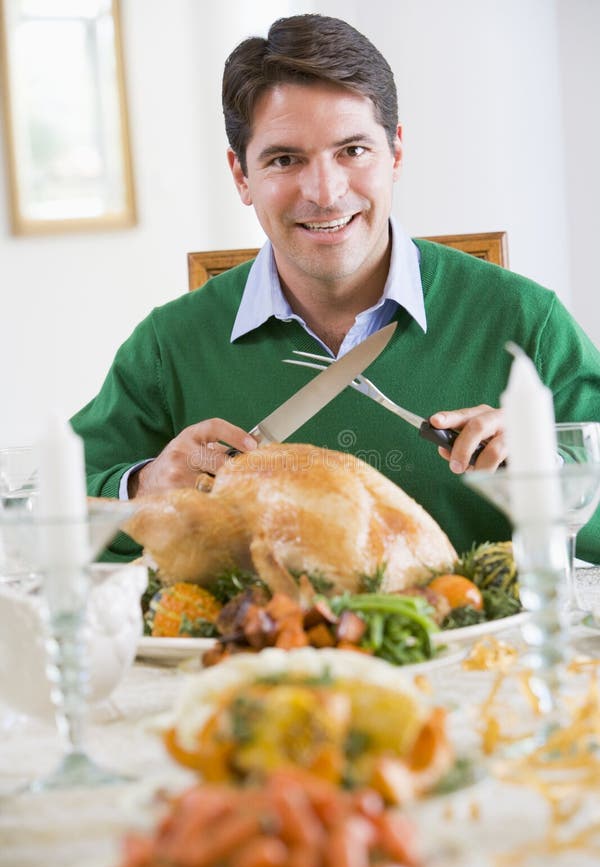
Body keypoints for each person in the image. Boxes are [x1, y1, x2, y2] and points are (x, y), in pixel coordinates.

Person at [71, 13, 600, 563]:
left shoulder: (527, 322)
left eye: (353, 150)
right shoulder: (169, 345)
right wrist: (143, 487)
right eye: (285, 159)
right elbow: (47, 513)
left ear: (396, 153)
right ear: (241, 176)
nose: (325, 193)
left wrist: (557, 478)